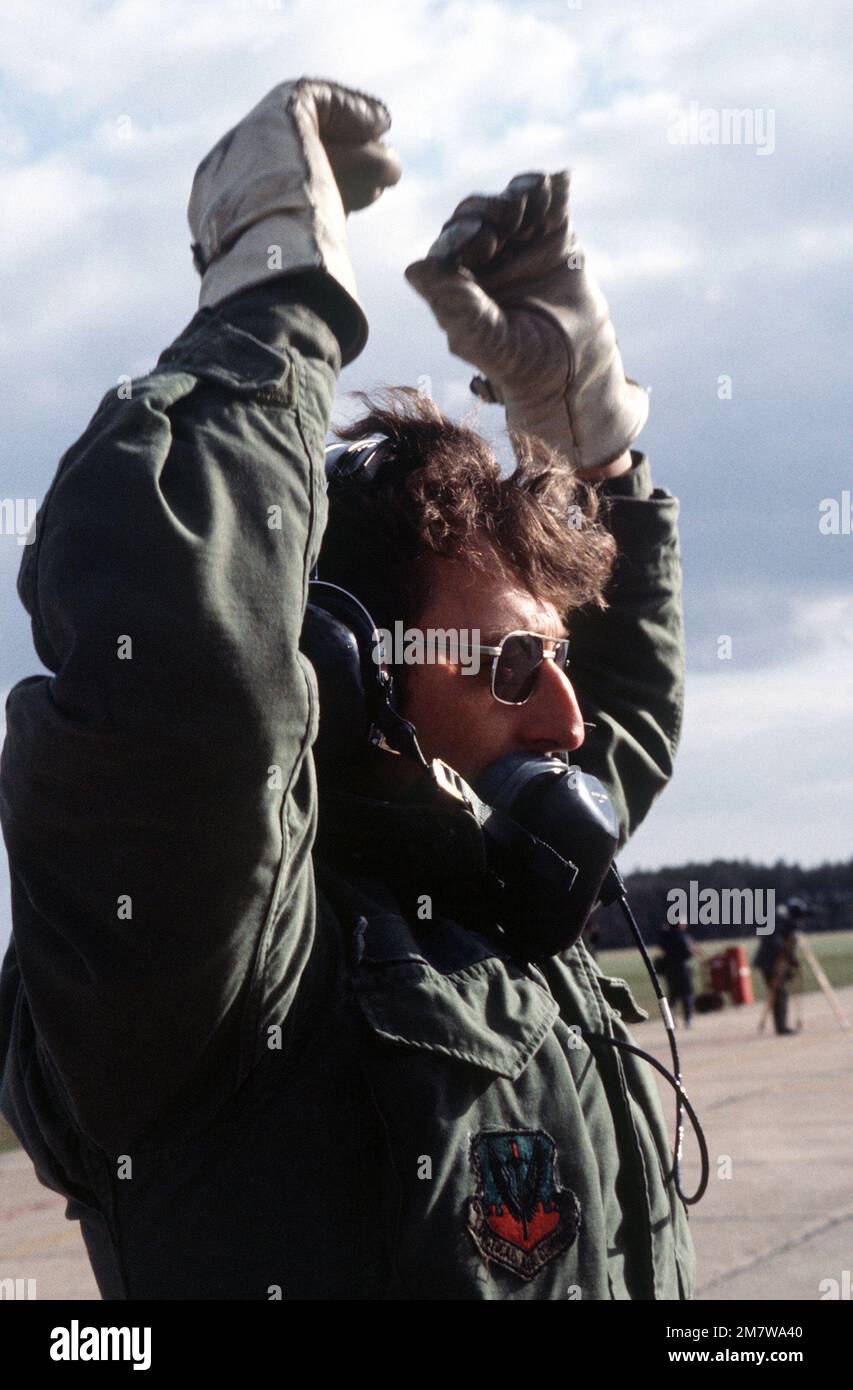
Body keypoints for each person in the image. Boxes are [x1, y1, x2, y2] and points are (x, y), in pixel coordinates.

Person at [0, 78, 694, 1299]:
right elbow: (185, 679)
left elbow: (612, 707)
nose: (571, 725)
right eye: (517, 665)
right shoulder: (225, 968)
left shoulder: (498, 888)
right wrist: (275, 298)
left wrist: (588, 437)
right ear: (346, 670)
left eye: (561, 665)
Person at [755, 910, 801, 1035]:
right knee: (779, 993)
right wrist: (790, 956)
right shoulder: (778, 927)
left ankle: (781, 1026)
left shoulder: (780, 926)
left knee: (779, 992)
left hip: (773, 962)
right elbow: (777, 945)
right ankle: (781, 1027)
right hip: (769, 963)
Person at [659, 920, 699, 1027]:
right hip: (682, 968)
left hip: (669, 969)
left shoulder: (666, 936)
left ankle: (670, 1019)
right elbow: (687, 953)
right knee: (687, 994)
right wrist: (692, 949)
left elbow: (661, 945)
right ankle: (688, 1019)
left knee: (673, 995)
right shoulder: (683, 936)